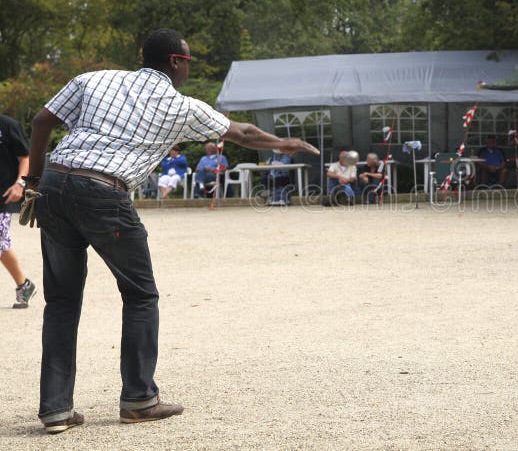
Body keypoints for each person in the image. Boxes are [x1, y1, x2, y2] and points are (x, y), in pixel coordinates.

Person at [24, 28, 319, 433]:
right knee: (140, 294)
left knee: (60, 301)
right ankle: (139, 398)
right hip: (105, 192)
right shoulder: (180, 105)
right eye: (189, 61)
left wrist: (35, 181)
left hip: (55, 184)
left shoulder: (93, 79)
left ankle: (56, 409)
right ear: (177, 62)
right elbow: (244, 133)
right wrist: (285, 143)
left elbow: (42, 121)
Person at [0, 114, 36, 309]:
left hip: (4, 193)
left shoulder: (8, 125)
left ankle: (24, 285)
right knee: (2, 244)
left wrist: (20, 184)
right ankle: (24, 285)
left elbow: (25, 156)